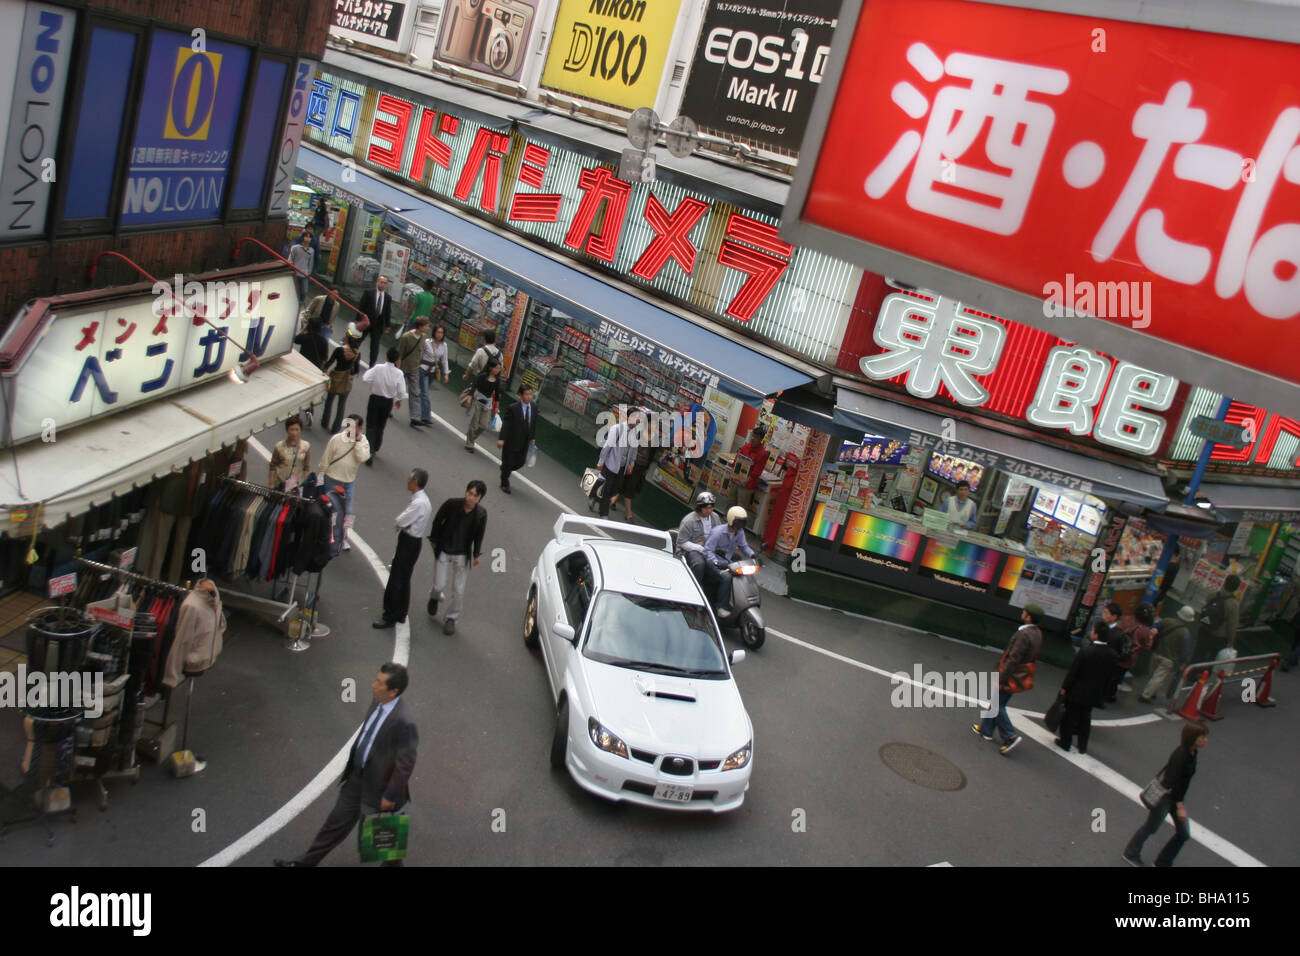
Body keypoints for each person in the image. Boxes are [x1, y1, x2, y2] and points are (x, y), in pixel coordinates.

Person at [275, 663, 417, 867]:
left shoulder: (405, 722)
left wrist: (390, 795)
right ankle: (304, 863)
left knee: (384, 837)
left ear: (393, 691)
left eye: (379, 683)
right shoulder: (378, 701)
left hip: (380, 789)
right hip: (357, 778)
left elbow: (406, 763)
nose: (373, 685)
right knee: (335, 825)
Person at [1123, 722, 1209, 867]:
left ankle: (1163, 862)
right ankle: (1131, 853)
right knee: (1151, 827)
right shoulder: (1181, 755)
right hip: (1168, 799)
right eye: (1203, 737)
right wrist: (1180, 805)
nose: (1206, 740)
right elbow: (1172, 782)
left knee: (1183, 834)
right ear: (1193, 738)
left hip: (1175, 799)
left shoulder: (1192, 752)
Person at [971, 604, 1043, 755]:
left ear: (1028, 617)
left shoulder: (1024, 634)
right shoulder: (1037, 633)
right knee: (998, 701)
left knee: (998, 704)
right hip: (1020, 674)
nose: (1022, 613)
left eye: (1025, 612)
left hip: (1011, 674)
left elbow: (1013, 659)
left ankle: (1010, 736)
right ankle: (986, 730)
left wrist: (1001, 678)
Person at [426, 480, 488, 636]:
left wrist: (476, 554)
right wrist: (434, 540)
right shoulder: (452, 504)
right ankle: (434, 597)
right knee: (439, 584)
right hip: (445, 549)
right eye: (470, 493)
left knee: (459, 590)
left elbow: (479, 535)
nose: (471, 497)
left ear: (480, 498)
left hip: (462, 554)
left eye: (475, 495)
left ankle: (451, 619)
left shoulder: (481, 514)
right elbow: (438, 521)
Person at [374, 470, 433, 629]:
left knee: (397, 578)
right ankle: (400, 612)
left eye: (409, 479)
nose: (407, 481)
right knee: (404, 577)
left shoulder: (418, 503)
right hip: (414, 542)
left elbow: (401, 520)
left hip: (408, 541)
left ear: (415, 482)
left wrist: (398, 522)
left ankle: (390, 614)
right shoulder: (424, 500)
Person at [1056, 618, 1119, 755]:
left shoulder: (1086, 651)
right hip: (1095, 693)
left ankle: (1065, 742)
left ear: (1096, 635)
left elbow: (1073, 672)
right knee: (1085, 718)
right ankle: (1082, 745)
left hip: (1077, 691)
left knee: (1069, 717)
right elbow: (1111, 677)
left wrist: (1065, 687)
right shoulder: (1112, 655)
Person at [320, 414, 370, 553]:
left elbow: (363, 457)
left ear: (360, 428)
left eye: (354, 427)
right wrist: (321, 474)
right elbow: (326, 458)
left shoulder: (363, 441)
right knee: (331, 511)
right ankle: (328, 536)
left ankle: (344, 537)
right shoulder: (337, 439)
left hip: (348, 482)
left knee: (348, 512)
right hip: (332, 479)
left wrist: (358, 442)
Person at [703, 507, 757, 615]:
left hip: (727, 561)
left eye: (743, 522)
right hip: (713, 563)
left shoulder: (739, 532)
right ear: (731, 520)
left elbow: (744, 546)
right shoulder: (718, 532)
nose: (741, 525)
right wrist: (716, 562)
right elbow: (707, 551)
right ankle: (721, 607)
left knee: (741, 574)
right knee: (726, 577)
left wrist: (752, 554)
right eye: (739, 522)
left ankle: (735, 603)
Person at [361, 347, 406, 465]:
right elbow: (402, 391)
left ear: (386, 356)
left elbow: (365, 378)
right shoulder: (399, 373)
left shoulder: (378, 368)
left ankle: (368, 449)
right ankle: (375, 447)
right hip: (387, 402)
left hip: (375, 398)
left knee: (371, 424)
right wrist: (398, 400)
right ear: (397, 360)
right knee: (381, 425)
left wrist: (374, 384)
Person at [1141, 606, 1196, 702]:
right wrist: (1183, 662)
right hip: (1169, 659)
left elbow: (1153, 628)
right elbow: (1184, 650)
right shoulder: (1185, 633)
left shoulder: (1166, 621)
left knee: (1153, 674)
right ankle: (1146, 695)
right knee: (1159, 677)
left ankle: (1152, 692)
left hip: (1157, 651)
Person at [1111, 602, 1157, 699]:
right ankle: (1109, 695)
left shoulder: (1126, 619)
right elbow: (1147, 646)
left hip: (1113, 650)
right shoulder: (1145, 630)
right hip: (1127, 657)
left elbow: (1116, 630)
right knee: (1117, 677)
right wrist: (1152, 635)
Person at [496, 385, 537, 495]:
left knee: (520, 463)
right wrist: (501, 439)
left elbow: (533, 423)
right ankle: (504, 483)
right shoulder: (513, 408)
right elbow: (506, 425)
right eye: (527, 394)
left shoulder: (533, 407)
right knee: (509, 462)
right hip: (511, 440)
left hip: (524, 441)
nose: (529, 397)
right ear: (520, 395)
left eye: (531, 394)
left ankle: (505, 468)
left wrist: (532, 437)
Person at [677, 491, 722, 587]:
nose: (709, 510)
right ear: (699, 507)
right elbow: (682, 542)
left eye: (711, 507)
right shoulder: (689, 520)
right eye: (706, 508)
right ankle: (695, 588)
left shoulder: (715, 517)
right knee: (699, 564)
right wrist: (700, 548)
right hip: (690, 550)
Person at [595, 408, 634, 518]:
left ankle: (596, 498)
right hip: (611, 463)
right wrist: (601, 461)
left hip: (622, 466)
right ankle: (604, 514)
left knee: (615, 489)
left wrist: (631, 463)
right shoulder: (617, 429)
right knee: (607, 489)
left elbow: (634, 449)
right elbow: (607, 446)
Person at [321, 331, 361, 434]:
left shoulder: (339, 350)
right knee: (341, 405)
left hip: (334, 378)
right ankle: (336, 428)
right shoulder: (357, 354)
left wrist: (324, 369)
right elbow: (356, 370)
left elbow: (329, 363)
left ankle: (325, 422)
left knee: (329, 400)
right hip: (347, 381)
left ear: (347, 339)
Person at [1198, 574, 1243, 661]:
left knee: (1198, 654)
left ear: (1225, 583)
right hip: (1218, 636)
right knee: (1211, 659)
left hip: (1204, 629)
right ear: (1236, 589)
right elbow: (1232, 625)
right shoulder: (1233, 605)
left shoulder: (1213, 595)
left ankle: (1191, 672)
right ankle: (1203, 673)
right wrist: (1230, 642)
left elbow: (1205, 609)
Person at [463, 357, 503, 453]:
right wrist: (470, 397)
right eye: (496, 368)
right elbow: (474, 386)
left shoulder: (497, 381)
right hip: (477, 400)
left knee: (484, 425)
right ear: (491, 368)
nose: (498, 370)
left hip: (488, 403)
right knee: (474, 424)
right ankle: (469, 444)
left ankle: (470, 436)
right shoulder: (482, 376)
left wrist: (497, 407)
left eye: (499, 368)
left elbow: (497, 395)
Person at [762, 458, 800, 554]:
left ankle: (766, 543)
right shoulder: (796, 478)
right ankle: (769, 545)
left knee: (773, 523)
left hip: (780, 503)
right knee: (777, 526)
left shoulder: (790, 475)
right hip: (786, 506)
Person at [396, 317, 429, 427]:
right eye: (426, 326)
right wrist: (398, 369)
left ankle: (415, 417)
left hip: (414, 368)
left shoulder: (423, 337)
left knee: (415, 392)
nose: (427, 328)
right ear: (420, 326)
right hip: (403, 367)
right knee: (397, 390)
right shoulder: (406, 337)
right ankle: (388, 409)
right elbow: (400, 354)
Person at [415, 324, 450, 426]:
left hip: (433, 371)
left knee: (424, 393)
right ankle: (426, 416)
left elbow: (444, 360)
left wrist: (446, 373)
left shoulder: (444, 346)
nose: (439, 334)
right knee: (425, 393)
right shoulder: (427, 342)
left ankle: (419, 410)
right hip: (423, 369)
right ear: (434, 332)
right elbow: (420, 354)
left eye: (441, 333)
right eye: (438, 332)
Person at [358, 275, 392, 368]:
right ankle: (351, 356)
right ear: (377, 282)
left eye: (385, 283)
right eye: (381, 282)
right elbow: (361, 306)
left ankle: (372, 365)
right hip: (367, 320)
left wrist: (388, 325)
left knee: (375, 346)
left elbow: (388, 311)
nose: (383, 284)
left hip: (378, 323)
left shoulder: (388, 297)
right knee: (359, 339)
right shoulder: (369, 293)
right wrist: (358, 320)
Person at [269, 417, 312, 490]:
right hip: (280, 483)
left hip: (296, 485)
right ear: (287, 430)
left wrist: (305, 485)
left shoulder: (306, 446)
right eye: (292, 429)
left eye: (297, 429)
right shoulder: (279, 446)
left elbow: (306, 467)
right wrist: (271, 484)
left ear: (300, 430)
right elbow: (273, 466)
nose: (294, 433)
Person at [733, 427, 770, 512]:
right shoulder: (746, 446)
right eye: (752, 435)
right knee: (731, 502)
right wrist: (733, 472)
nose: (753, 438)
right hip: (736, 479)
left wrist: (746, 480)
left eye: (756, 437)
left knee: (740, 507)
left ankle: (737, 525)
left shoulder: (763, 453)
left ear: (761, 439)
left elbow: (757, 471)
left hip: (747, 484)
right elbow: (736, 459)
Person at [287, 232, 315, 305]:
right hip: (295, 272)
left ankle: (301, 303)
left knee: (304, 291)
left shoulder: (311, 251)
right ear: (303, 237)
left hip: (304, 274)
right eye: (306, 236)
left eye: (309, 237)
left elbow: (310, 263)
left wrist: (308, 273)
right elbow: (290, 259)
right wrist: (292, 269)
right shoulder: (295, 248)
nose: (308, 238)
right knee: (292, 289)